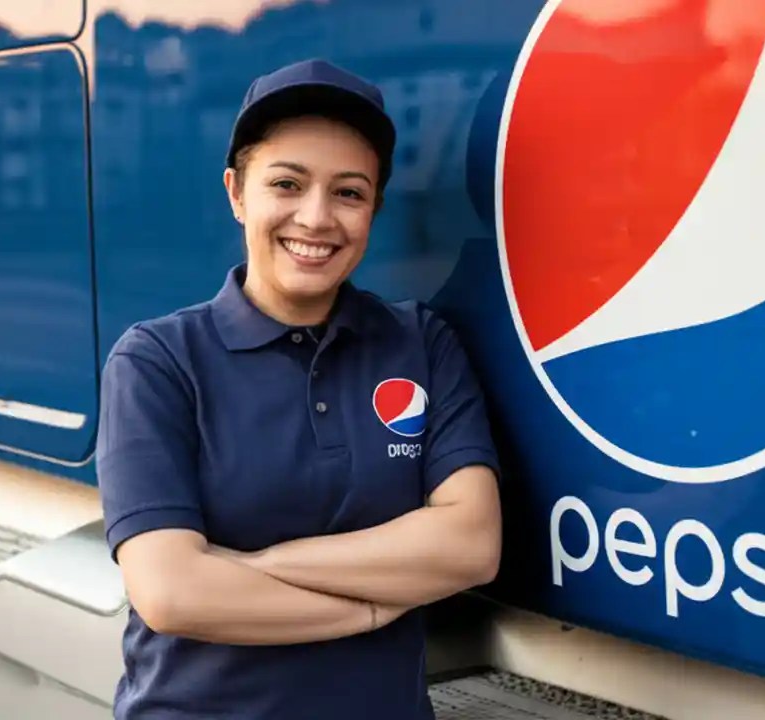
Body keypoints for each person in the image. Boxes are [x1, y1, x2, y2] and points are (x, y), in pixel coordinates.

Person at [96, 58, 503, 720]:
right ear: (236, 193)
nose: (316, 219)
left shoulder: (421, 343)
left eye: (348, 192)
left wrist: (253, 565)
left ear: (373, 207)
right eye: (287, 183)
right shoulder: (158, 361)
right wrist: (374, 605)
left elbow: (471, 546)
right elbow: (172, 592)